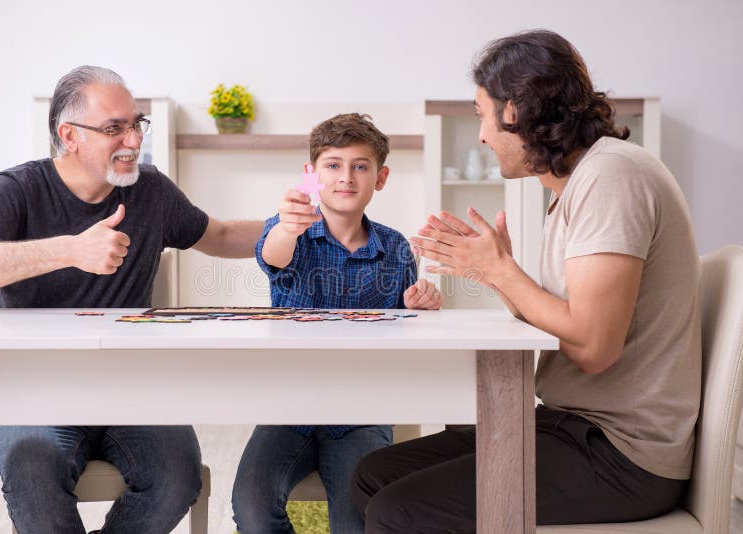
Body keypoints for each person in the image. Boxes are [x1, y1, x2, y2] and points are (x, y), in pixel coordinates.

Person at [351, 29, 701, 532]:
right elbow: (564, 322)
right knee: (374, 476)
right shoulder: (581, 184)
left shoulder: (612, 179)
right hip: (573, 425)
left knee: (396, 509)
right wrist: (494, 274)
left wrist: (501, 270)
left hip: (622, 455)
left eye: (481, 115)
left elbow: (594, 347)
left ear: (516, 110)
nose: (482, 136)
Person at [0, 65, 263, 534]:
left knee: (176, 476)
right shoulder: (18, 188)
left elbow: (218, 234)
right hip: (34, 392)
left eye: (136, 123)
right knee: (32, 470)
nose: (133, 139)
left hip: (129, 390)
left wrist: (298, 224)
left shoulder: (151, 190)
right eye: (114, 128)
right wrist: (70, 249)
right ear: (69, 135)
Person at [231, 113, 442, 534]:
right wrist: (288, 226)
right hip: (289, 405)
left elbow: (406, 324)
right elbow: (273, 254)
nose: (346, 177)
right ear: (312, 175)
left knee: (354, 521)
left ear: (380, 178)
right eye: (332, 165)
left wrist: (422, 306)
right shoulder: (288, 232)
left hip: (361, 408)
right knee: (251, 509)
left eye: (360, 166)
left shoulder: (395, 247)